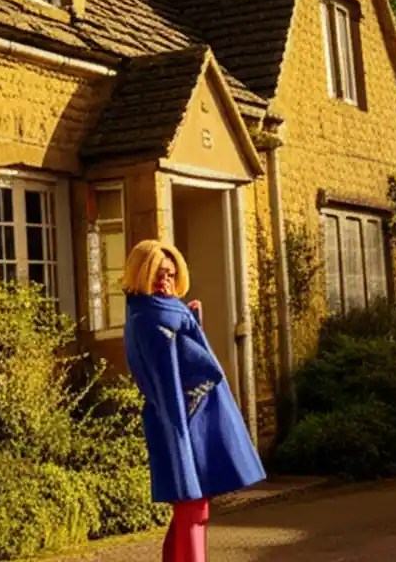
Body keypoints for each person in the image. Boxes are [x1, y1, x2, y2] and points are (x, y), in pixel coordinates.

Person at [122, 240, 265, 562]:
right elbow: (181, 372)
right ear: (140, 273)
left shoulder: (160, 312)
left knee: (192, 509)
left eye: (170, 274)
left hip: (189, 418)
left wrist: (190, 318)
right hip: (180, 420)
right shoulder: (150, 319)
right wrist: (187, 327)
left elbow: (183, 354)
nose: (165, 280)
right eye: (157, 274)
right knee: (191, 509)